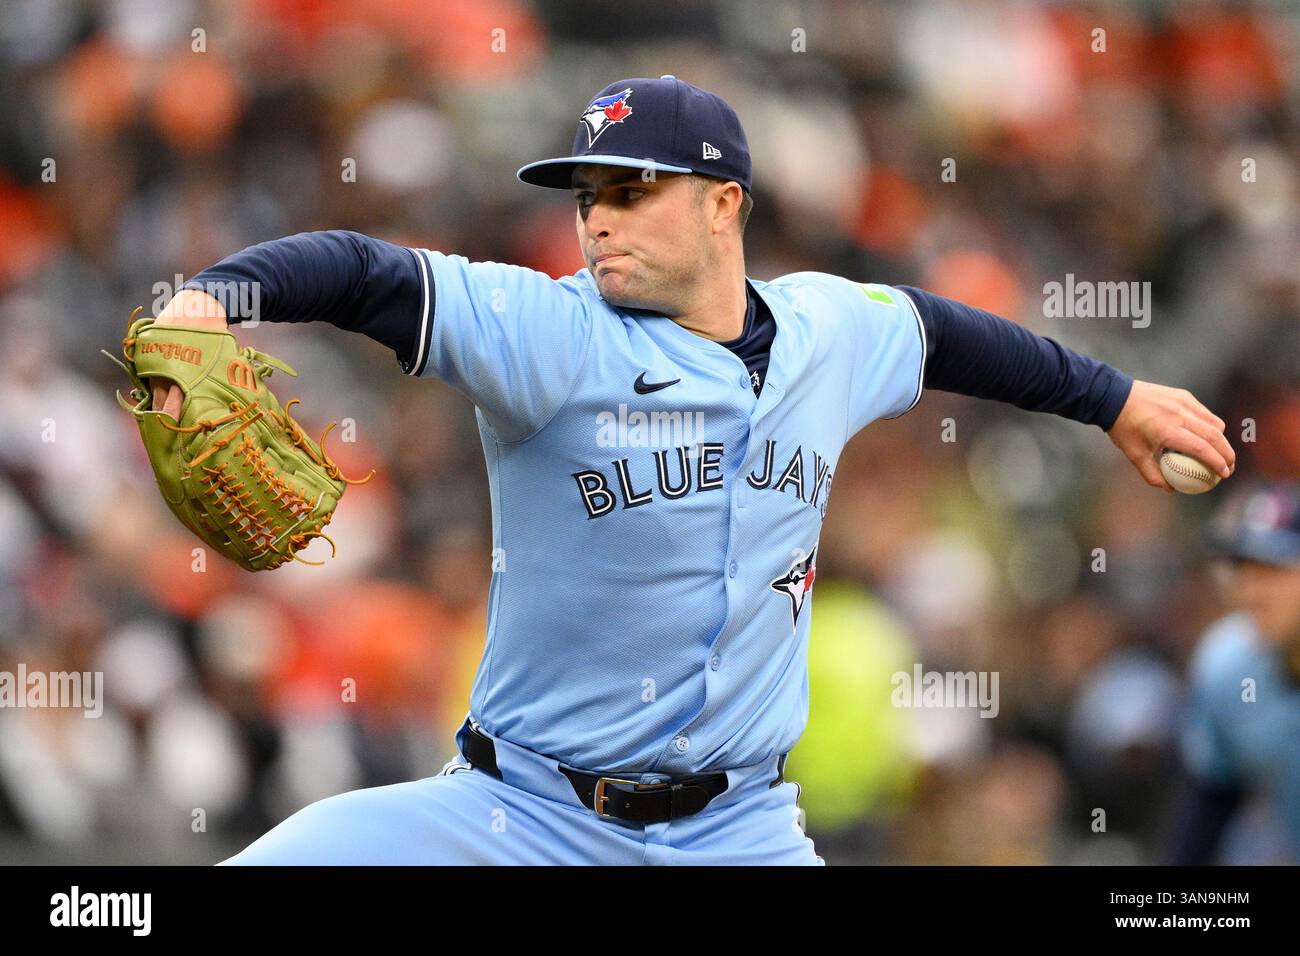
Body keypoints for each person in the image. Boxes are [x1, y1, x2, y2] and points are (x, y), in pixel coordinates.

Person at [144, 76, 1235, 864]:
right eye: (586, 197)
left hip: (740, 829)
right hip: (515, 819)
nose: (596, 222)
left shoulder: (825, 330)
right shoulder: (549, 332)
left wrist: (1118, 400)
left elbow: (947, 336)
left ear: (725, 202)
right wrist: (209, 300)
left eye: (631, 191)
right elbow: (361, 272)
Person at [1166, 482, 1300, 865]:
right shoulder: (1229, 666)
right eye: (1245, 570)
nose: (1252, 593)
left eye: (1274, 570)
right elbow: (1211, 803)